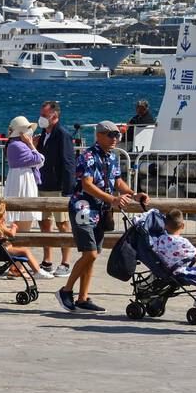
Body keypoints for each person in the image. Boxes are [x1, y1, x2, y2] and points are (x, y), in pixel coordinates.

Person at [61, 120, 146, 314]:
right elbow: (87, 185)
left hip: (99, 212)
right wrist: (112, 199)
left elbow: (117, 181)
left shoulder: (112, 157)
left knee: (91, 256)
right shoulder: (88, 156)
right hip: (82, 208)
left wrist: (134, 194)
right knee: (90, 253)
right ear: (99, 135)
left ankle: (82, 298)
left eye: (117, 135)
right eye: (111, 135)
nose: (115, 139)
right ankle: (66, 291)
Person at [35, 100, 75, 278]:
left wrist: (68, 190)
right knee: (44, 223)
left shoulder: (63, 134)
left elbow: (68, 163)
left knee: (62, 224)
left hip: (58, 187)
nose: (41, 118)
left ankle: (65, 263)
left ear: (54, 116)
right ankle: (47, 261)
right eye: (41, 115)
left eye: (44, 115)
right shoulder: (43, 133)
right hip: (43, 184)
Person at [153, 209, 196, 308]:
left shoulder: (161, 239)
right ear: (183, 226)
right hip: (179, 272)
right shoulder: (182, 242)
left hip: (165, 270)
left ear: (165, 225)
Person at [3, 115, 45, 266]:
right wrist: (32, 146)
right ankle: (17, 266)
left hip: (21, 182)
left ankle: (16, 265)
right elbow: (39, 160)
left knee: (21, 225)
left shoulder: (14, 144)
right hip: (23, 184)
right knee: (23, 226)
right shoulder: (17, 146)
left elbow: (37, 161)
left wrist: (30, 146)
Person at [0, 201, 37, 280]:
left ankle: (15, 270)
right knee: (25, 251)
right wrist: (14, 227)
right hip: (4, 250)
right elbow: (12, 234)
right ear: (2, 215)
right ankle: (37, 271)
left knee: (21, 250)